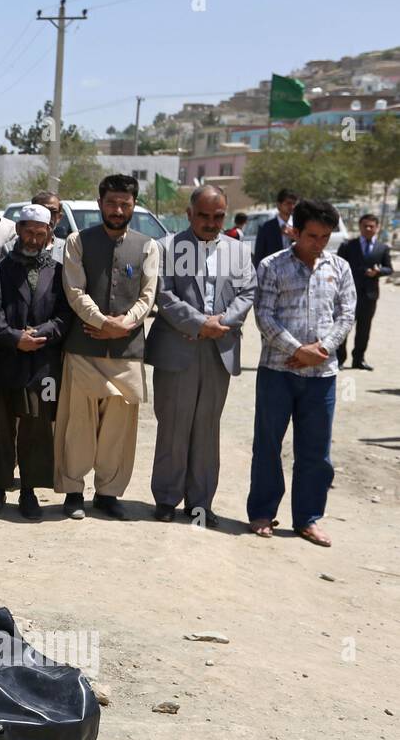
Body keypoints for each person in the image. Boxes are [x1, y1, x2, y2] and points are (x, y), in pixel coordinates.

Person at [144, 185, 255, 526]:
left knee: (207, 429)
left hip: (218, 349)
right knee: (174, 427)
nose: (210, 222)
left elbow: (248, 290)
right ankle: (166, 499)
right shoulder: (166, 248)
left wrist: (222, 322)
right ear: (189, 214)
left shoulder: (238, 251)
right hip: (179, 348)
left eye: (217, 216)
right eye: (203, 215)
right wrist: (198, 323)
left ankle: (200, 504)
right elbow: (162, 294)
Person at [248, 199, 356, 547]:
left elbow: (346, 314)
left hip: (321, 376)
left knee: (315, 452)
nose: (318, 243)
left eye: (325, 236)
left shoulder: (339, 268)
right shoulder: (271, 266)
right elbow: (264, 316)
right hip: (277, 372)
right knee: (268, 445)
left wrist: (320, 351)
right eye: (312, 235)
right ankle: (263, 513)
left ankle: (308, 519)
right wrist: (297, 350)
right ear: (294, 231)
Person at [54, 175, 160, 520]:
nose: (118, 210)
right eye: (112, 203)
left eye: (125, 204)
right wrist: (102, 322)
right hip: (83, 349)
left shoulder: (148, 246)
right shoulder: (77, 241)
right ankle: (73, 492)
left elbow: (148, 295)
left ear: (134, 206)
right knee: (77, 424)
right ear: (100, 203)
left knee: (119, 427)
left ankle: (108, 493)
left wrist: (124, 325)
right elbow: (74, 290)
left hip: (127, 352)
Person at [0, 204, 71, 520]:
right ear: (18, 231)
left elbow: (64, 316)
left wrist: (41, 333)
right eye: (27, 232)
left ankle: (29, 490)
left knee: (36, 427)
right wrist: (14, 337)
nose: (32, 239)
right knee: (0, 426)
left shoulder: (59, 272)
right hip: (5, 359)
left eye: (39, 233)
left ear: (49, 233)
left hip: (42, 364)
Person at [335, 213, 390, 370]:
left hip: (369, 295)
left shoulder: (382, 248)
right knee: (343, 327)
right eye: (365, 225)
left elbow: (389, 268)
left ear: (377, 228)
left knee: (364, 330)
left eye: (371, 226)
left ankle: (358, 359)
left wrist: (378, 271)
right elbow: (337, 267)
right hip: (347, 295)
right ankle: (339, 359)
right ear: (360, 227)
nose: (368, 229)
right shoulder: (347, 246)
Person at [253, 189, 298, 267]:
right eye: (288, 203)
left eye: (294, 203)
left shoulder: (299, 225)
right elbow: (259, 255)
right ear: (279, 205)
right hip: (273, 272)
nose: (292, 206)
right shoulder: (266, 228)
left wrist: (295, 237)